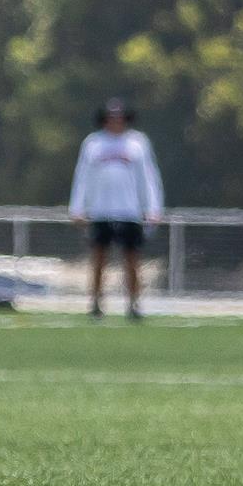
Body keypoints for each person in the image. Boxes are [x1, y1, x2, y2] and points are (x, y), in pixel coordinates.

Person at [69, 98, 165, 320]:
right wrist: (77, 207)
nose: (116, 121)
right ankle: (95, 303)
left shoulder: (137, 143)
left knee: (131, 259)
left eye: (119, 117)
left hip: (129, 211)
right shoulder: (93, 143)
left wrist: (153, 207)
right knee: (99, 258)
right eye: (111, 117)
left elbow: (148, 177)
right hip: (100, 211)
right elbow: (82, 176)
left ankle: (134, 304)